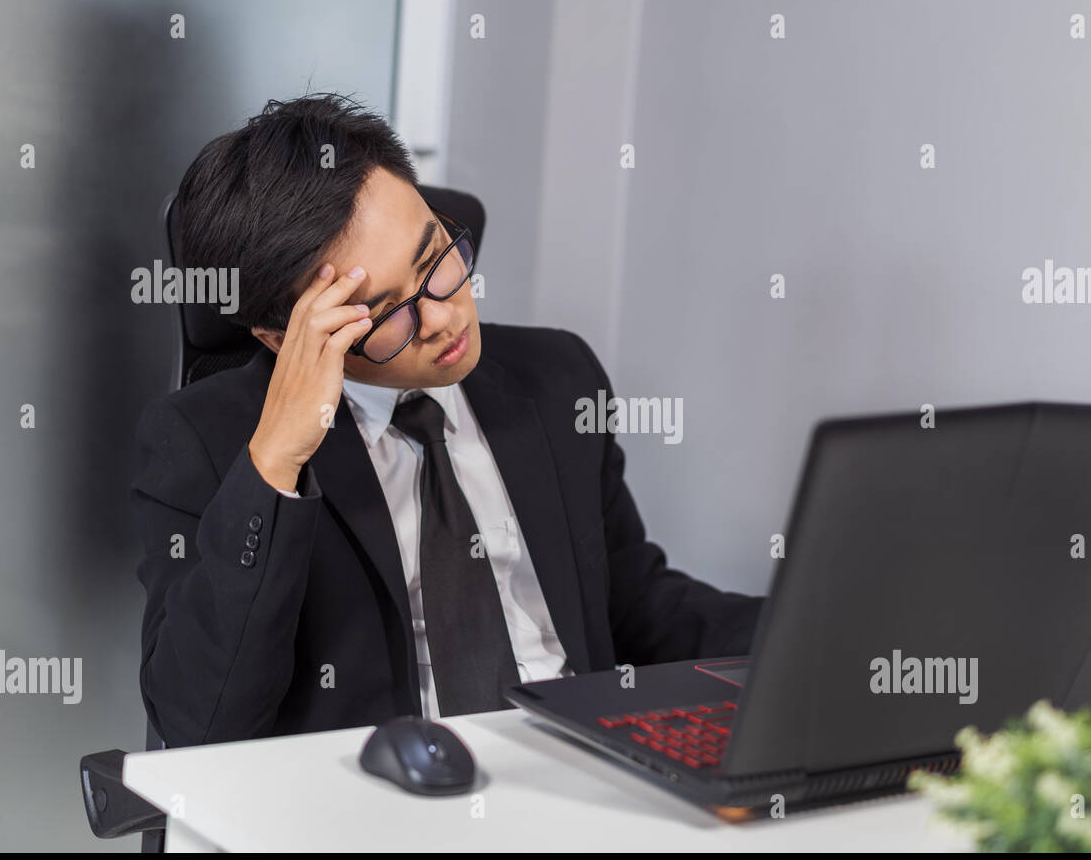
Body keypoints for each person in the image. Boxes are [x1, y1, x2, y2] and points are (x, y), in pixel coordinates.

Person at [131, 94, 762, 748]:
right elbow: (197, 723)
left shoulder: (557, 378)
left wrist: (817, 635)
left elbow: (635, 608)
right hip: (380, 795)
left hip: (584, 771)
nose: (442, 318)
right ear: (278, 335)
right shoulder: (205, 442)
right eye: (382, 314)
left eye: (436, 259)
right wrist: (276, 465)